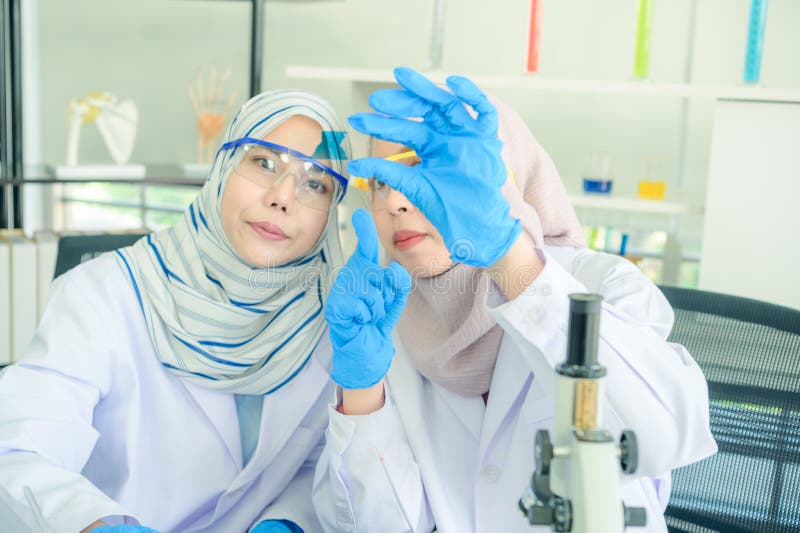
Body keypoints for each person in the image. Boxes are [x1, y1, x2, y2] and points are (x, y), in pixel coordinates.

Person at [313, 68, 717, 532]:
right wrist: (363, 396)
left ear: (499, 178)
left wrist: (513, 260)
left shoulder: (599, 284)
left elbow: (669, 437)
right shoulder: (383, 324)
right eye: (381, 182)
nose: (395, 203)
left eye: (421, 168)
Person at [0, 90, 352, 533]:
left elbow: (315, 465)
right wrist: (94, 523)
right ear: (222, 168)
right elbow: (18, 447)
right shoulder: (104, 295)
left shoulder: (328, 325)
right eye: (264, 162)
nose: (283, 197)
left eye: (315, 181)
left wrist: (291, 522)